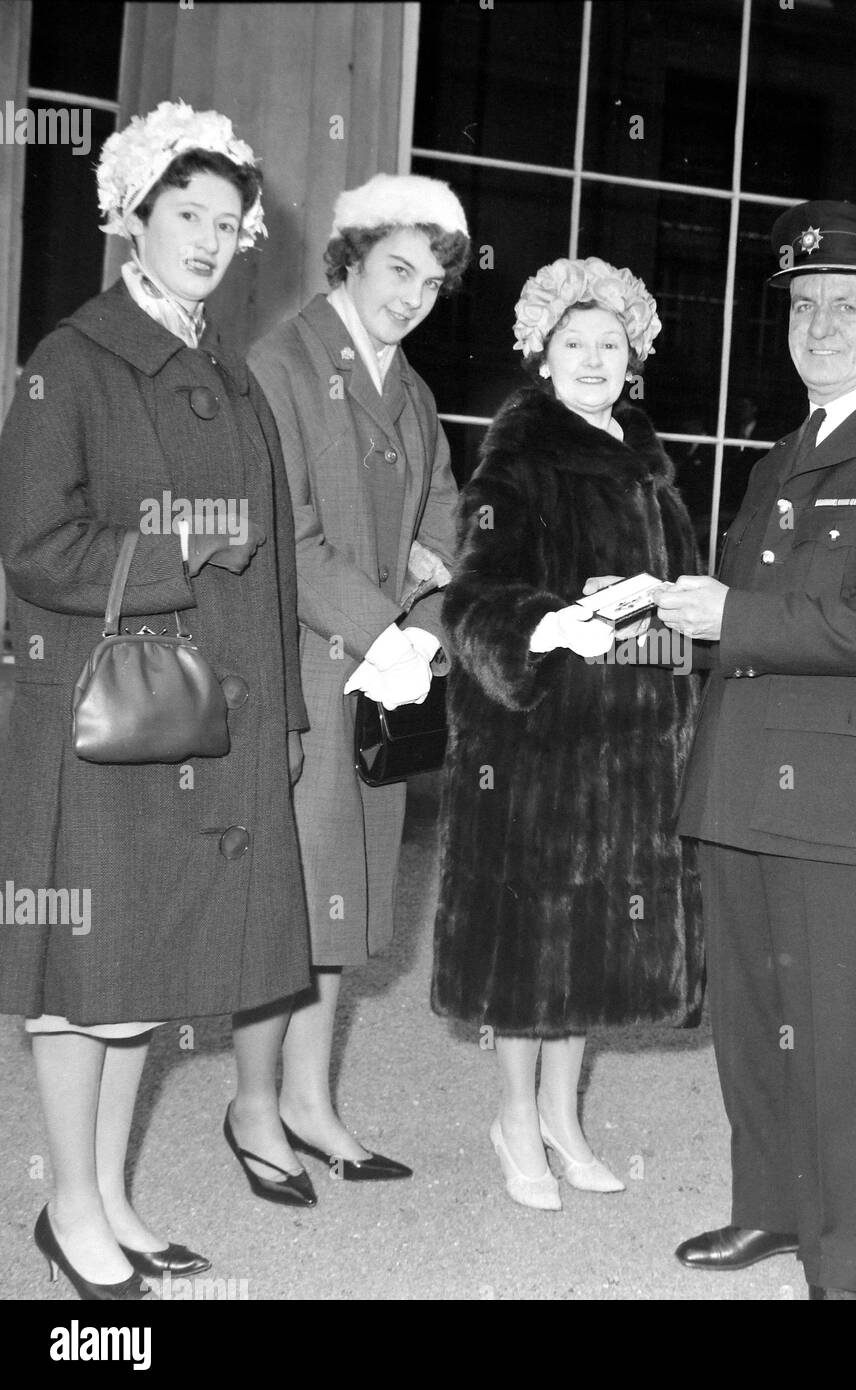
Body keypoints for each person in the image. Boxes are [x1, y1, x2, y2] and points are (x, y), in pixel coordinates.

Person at [0, 101, 310, 1297]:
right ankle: (68, 1203)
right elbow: (32, 543)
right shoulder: (69, 362)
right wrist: (180, 549)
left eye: (228, 223)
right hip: (101, 719)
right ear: (131, 217)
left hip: (207, 721)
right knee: (89, 976)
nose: (209, 238)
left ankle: (114, 1196)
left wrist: (281, 712)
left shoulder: (228, 377)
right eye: (186, 214)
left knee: (139, 974)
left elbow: (275, 559)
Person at [659, 201, 856, 1298]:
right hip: (737, 778)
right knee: (751, 1019)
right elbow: (749, 618)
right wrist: (649, 615)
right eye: (803, 306)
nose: (821, 324)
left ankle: (841, 1259)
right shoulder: (775, 458)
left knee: (838, 1032)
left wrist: (722, 617)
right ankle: (769, 1210)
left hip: (839, 799)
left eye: (847, 305)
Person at [431, 257, 704, 1210]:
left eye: (610, 344)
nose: (593, 358)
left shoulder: (647, 464)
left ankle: (562, 1117)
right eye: (574, 343)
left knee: (589, 940)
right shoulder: (520, 456)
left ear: (634, 359)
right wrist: (551, 623)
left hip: (629, 745)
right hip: (536, 742)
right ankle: (514, 1118)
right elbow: (472, 602)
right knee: (529, 939)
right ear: (542, 355)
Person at [229, 174, 469, 1198]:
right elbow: (287, 533)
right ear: (350, 257)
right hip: (296, 669)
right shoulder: (280, 362)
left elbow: (447, 508)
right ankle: (250, 1104)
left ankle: (309, 1097)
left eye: (432, 278)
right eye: (396, 268)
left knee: (343, 898)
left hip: (379, 676)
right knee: (282, 900)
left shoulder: (409, 387)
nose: (412, 294)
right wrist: (387, 627)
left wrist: (424, 588)